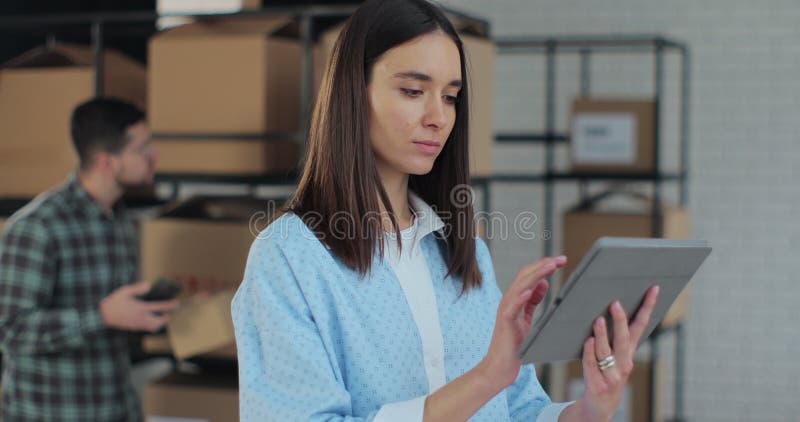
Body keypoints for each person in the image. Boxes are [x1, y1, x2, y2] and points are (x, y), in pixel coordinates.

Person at [232, 0, 660, 420]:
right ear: (352, 92)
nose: (439, 116)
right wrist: (485, 379)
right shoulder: (288, 258)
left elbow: (519, 411)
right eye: (413, 91)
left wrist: (590, 409)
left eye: (451, 97)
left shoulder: (464, 250)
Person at [0, 97, 180, 421]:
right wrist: (102, 315)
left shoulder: (118, 218)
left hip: (115, 408)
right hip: (51, 414)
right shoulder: (37, 227)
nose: (153, 157)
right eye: (142, 149)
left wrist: (159, 310)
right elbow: (11, 329)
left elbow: (117, 316)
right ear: (107, 161)